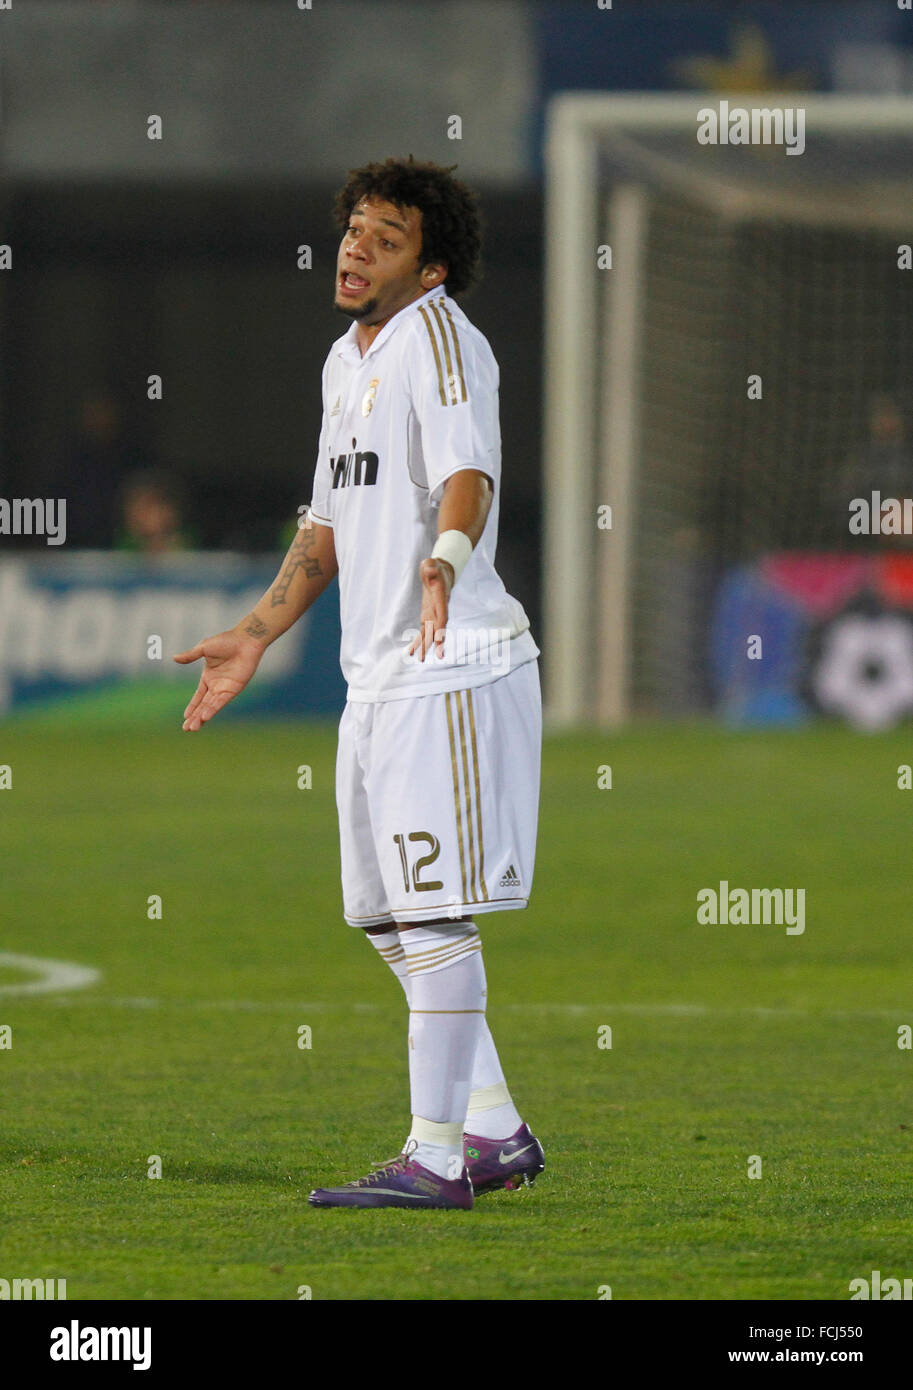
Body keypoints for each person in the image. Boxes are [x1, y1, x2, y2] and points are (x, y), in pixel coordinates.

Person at [174, 156, 543, 1210]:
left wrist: (449, 556)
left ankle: (435, 1158)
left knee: (431, 917)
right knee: (386, 919)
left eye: (384, 236)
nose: (353, 248)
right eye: (351, 228)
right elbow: (327, 523)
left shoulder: (444, 341)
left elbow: (468, 470)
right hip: (375, 678)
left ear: (429, 268)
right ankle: (494, 1127)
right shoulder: (347, 362)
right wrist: (254, 632)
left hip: (453, 667)